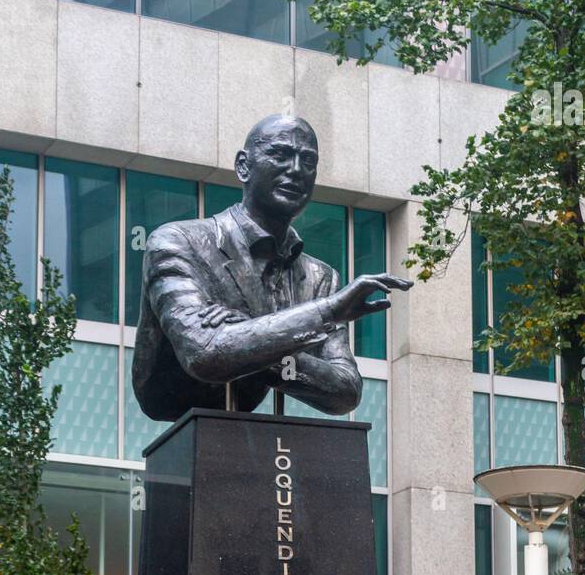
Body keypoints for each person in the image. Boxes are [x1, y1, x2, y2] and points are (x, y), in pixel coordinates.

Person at [132, 114, 410, 420]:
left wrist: (249, 339)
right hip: (177, 408)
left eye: (308, 161)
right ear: (243, 166)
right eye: (279, 154)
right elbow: (204, 353)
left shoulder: (320, 277)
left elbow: (346, 391)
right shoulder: (179, 241)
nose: (295, 170)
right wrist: (324, 313)